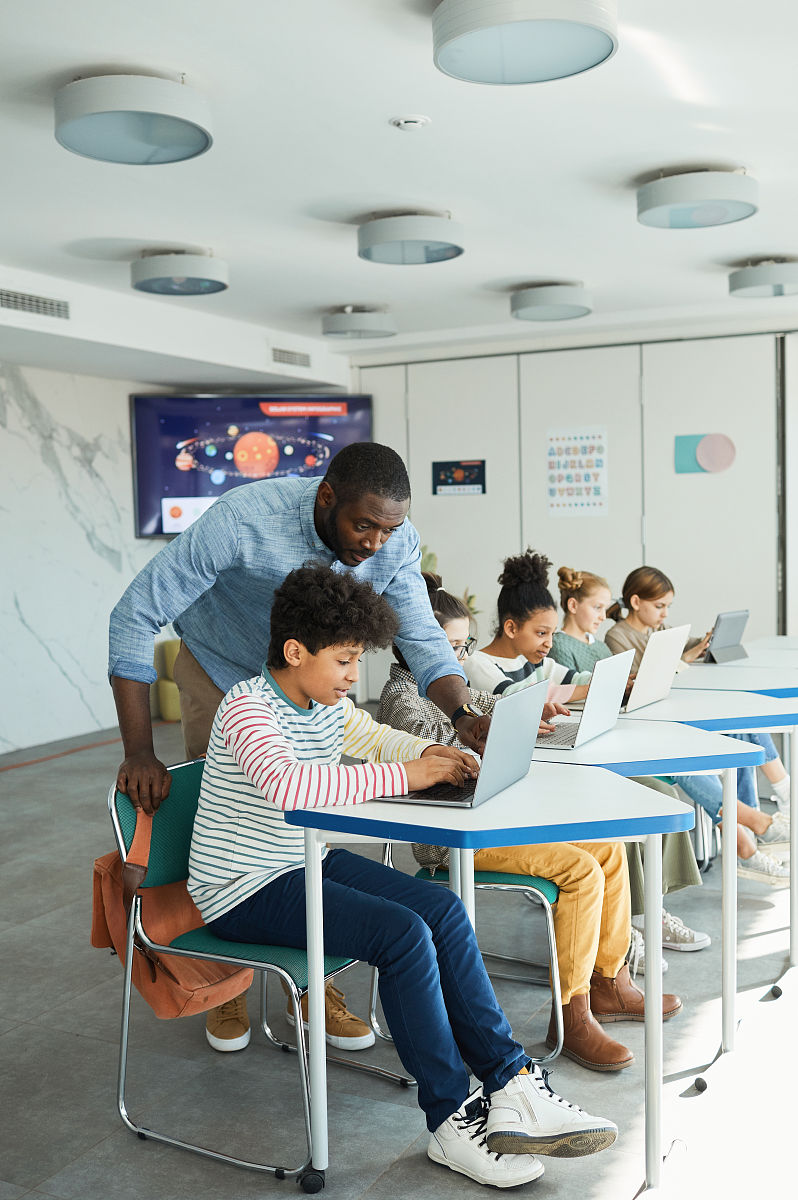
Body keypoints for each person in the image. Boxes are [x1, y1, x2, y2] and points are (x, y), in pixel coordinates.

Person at [187, 564, 619, 1188]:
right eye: (342, 662)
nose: (351, 677)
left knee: (440, 912)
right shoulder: (246, 707)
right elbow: (290, 786)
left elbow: (372, 735)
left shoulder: (324, 703)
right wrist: (410, 776)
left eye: (357, 661)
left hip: (298, 861)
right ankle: (449, 1120)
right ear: (293, 651)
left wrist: (429, 755)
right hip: (241, 888)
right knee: (402, 934)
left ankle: (513, 1083)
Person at [108, 441, 490, 1053]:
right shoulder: (243, 519)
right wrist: (138, 750)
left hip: (312, 684)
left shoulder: (395, 536)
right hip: (222, 667)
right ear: (326, 496)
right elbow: (134, 616)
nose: (373, 543)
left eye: (386, 530)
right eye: (362, 525)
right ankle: (227, 986)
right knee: (235, 824)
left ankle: (316, 983)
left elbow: (421, 631)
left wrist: (463, 715)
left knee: (299, 831)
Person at [378, 574, 683, 1073]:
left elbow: (490, 705)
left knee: (608, 848)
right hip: (454, 837)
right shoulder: (402, 700)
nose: (458, 658)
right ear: (416, 646)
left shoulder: (451, 689)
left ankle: (610, 981)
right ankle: (572, 1014)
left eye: (463, 646)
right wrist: (492, 739)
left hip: (493, 813)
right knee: (582, 871)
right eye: (449, 647)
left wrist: (531, 707)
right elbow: (441, 760)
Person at [531, 563, 712, 961]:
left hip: (593, 737)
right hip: (566, 760)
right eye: (596, 606)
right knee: (631, 804)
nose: (602, 613)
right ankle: (630, 921)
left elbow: (579, 685)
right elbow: (568, 688)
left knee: (665, 792)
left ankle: (653, 910)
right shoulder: (562, 648)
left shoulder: (594, 643)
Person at [605, 566, 790, 887]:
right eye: (659, 606)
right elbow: (640, 685)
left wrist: (704, 643)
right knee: (703, 755)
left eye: (667, 607)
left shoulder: (657, 631)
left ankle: (760, 824)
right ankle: (762, 824)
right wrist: (685, 659)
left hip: (672, 719)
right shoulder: (617, 637)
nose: (664, 613)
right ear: (635, 601)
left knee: (742, 727)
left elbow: (682, 648)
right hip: (651, 726)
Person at [464, 551, 593, 704]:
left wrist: (610, 680)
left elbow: (576, 679)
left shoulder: (533, 660)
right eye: (541, 633)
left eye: (552, 633)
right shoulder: (476, 663)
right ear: (511, 628)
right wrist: (590, 689)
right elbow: (519, 697)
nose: (549, 643)